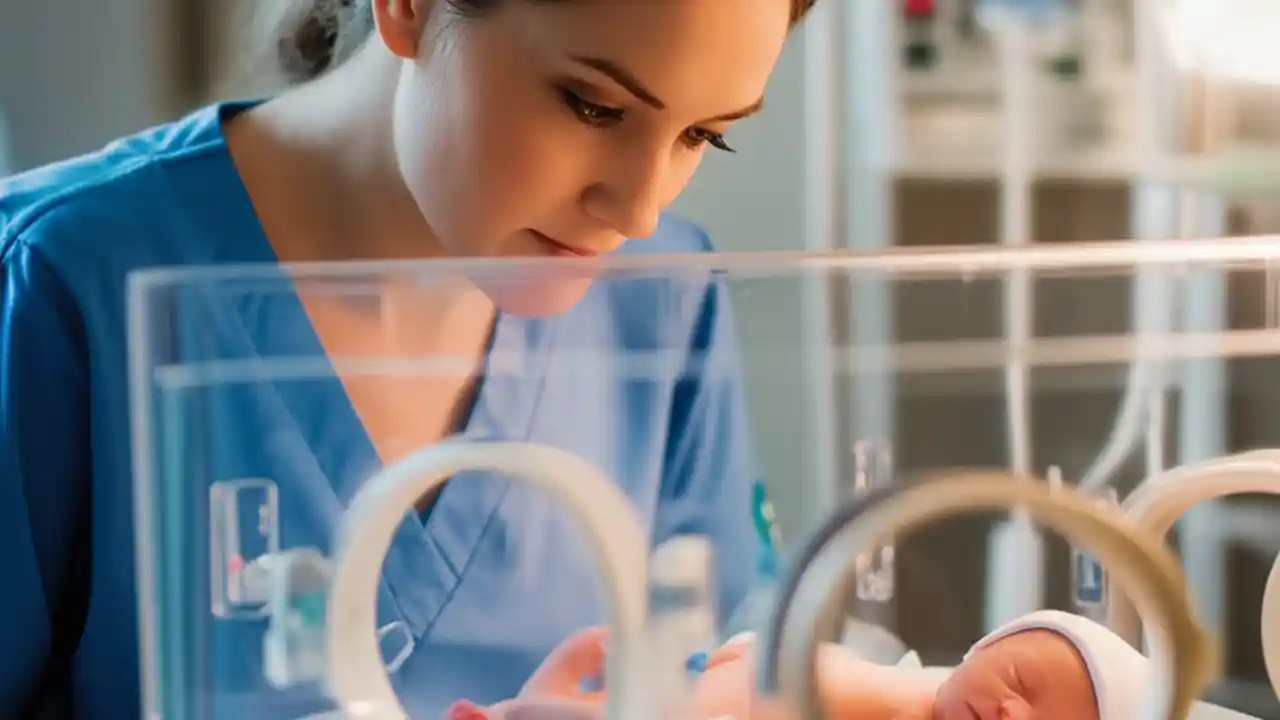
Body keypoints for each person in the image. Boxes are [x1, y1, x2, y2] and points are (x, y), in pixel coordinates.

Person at [0, 0, 1138, 718]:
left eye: (700, 134)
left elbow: (717, 672)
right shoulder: (63, 285)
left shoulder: (660, 308)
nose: (635, 208)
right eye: (591, 105)